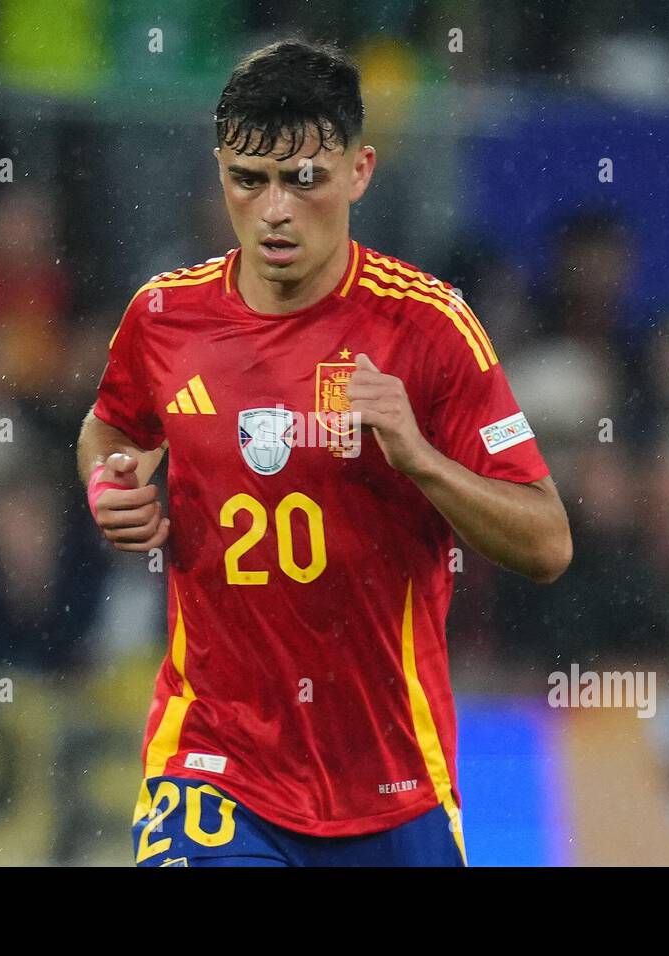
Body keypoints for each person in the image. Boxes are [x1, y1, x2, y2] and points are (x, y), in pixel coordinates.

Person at [76, 38, 571, 867]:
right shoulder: (163, 318)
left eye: (303, 179)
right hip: (214, 770)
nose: (274, 209)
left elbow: (547, 542)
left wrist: (419, 457)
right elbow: (113, 427)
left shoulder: (429, 328)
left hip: (391, 783)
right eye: (248, 179)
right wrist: (107, 483)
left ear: (358, 172)